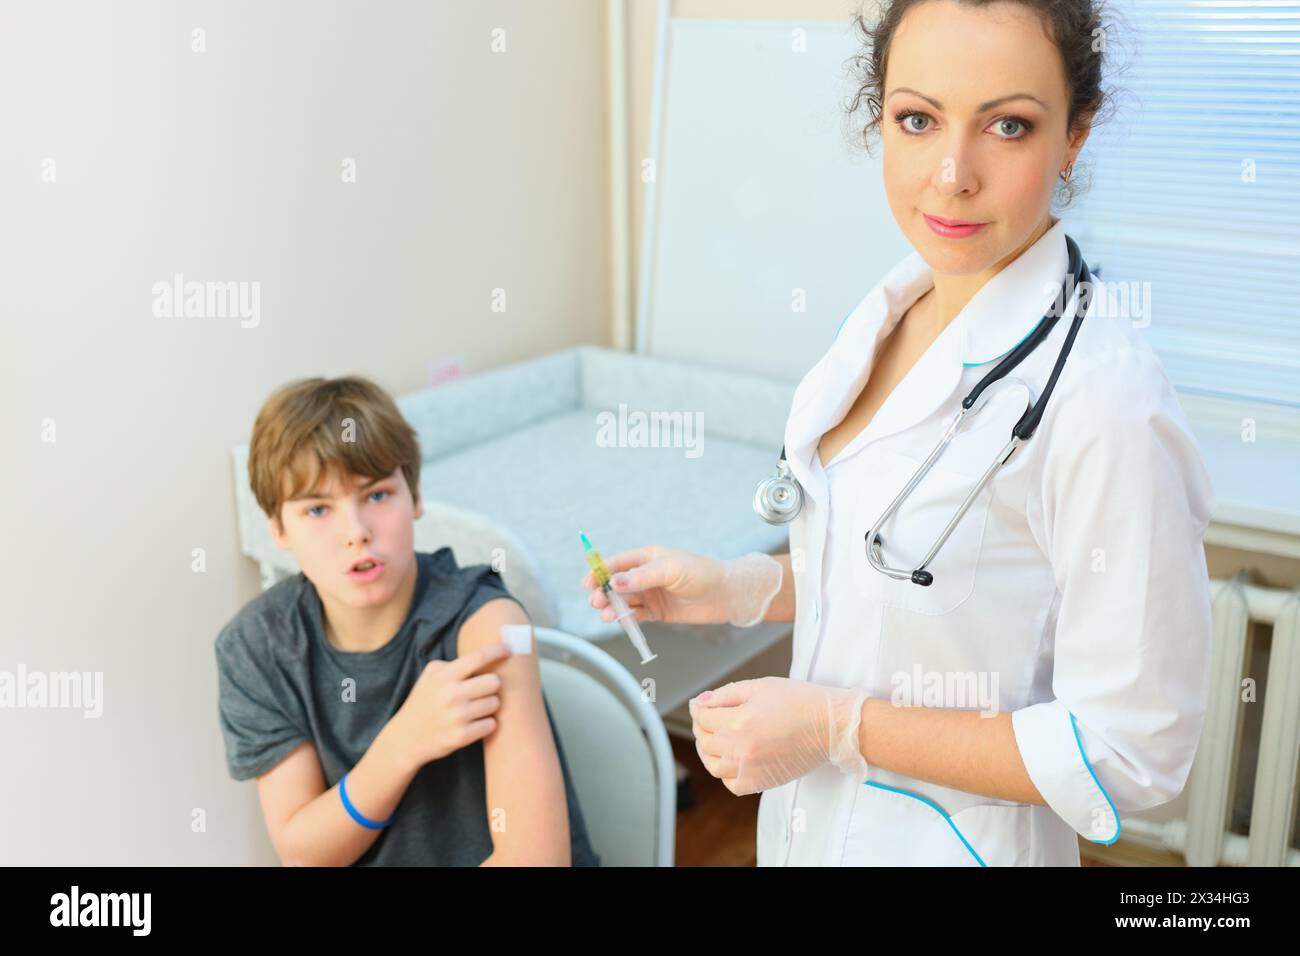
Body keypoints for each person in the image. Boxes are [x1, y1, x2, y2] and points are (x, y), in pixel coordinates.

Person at [583, 0, 1215, 866]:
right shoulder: (897, 308)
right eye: (918, 119)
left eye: (1009, 126)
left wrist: (842, 727)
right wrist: (733, 590)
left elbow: (1130, 750)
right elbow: (908, 573)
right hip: (809, 834)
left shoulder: (1107, 402)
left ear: (1076, 135)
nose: (952, 174)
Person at [217, 375, 600, 866]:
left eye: (376, 495)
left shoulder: (487, 624)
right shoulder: (255, 648)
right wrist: (402, 745)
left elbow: (535, 860)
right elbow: (306, 854)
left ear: (415, 497)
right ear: (277, 529)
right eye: (318, 509)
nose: (355, 532)